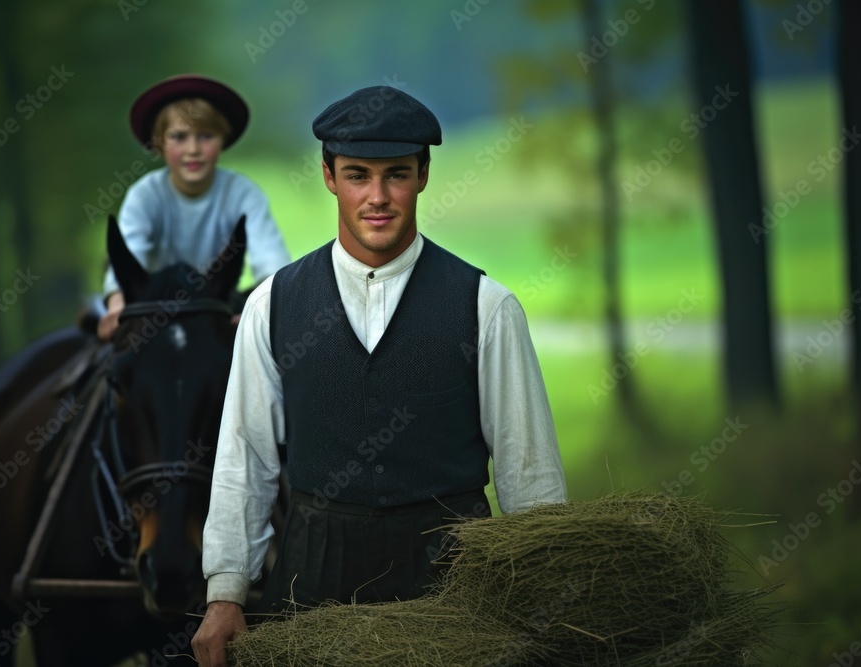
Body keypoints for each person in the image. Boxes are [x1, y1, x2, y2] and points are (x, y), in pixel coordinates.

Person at [192, 86, 566, 666]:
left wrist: (544, 598)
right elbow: (245, 460)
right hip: (312, 581)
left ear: (423, 174)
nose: (377, 196)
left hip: (455, 578)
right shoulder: (272, 306)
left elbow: (530, 471)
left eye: (395, 174)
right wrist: (225, 593)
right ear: (328, 176)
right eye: (358, 174)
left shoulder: (486, 306)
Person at [98, 75, 290, 340]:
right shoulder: (145, 195)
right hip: (154, 306)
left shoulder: (243, 193)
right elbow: (130, 257)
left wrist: (258, 312)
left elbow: (271, 263)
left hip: (217, 305)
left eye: (206, 136)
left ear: (223, 140)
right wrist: (118, 305)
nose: (193, 149)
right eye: (179, 137)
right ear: (160, 143)